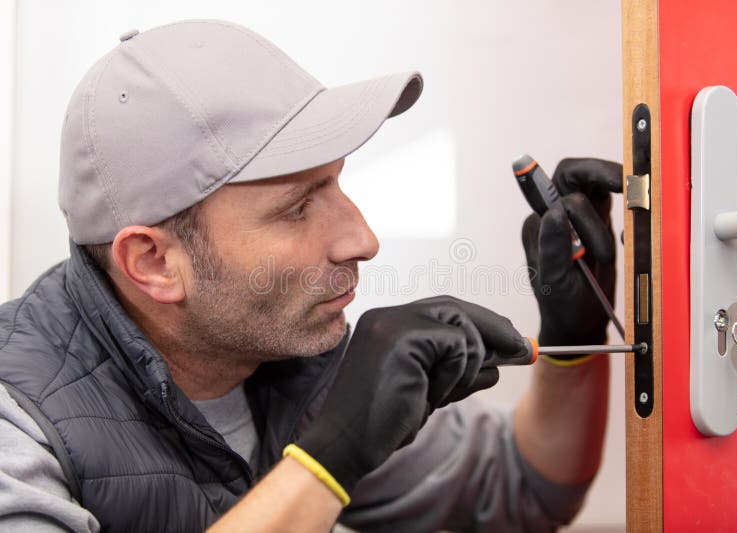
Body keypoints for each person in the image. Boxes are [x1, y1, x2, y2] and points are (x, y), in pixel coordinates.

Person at [0, 20, 622, 532]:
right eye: (297, 207)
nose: (363, 240)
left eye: (336, 183)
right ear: (154, 262)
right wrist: (328, 460)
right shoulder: (19, 428)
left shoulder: (294, 364)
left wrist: (574, 340)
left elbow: (525, 489)